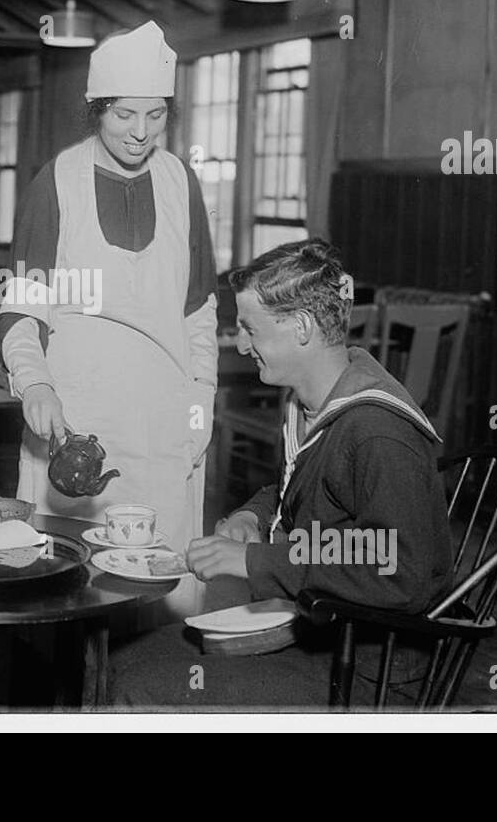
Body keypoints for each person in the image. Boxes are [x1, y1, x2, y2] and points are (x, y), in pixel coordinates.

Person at [109, 239, 453, 708]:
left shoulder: (377, 433)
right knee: (125, 658)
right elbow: (299, 490)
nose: (242, 344)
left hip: (367, 666)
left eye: (250, 328)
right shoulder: (311, 402)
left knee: (139, 686)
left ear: (303, 327)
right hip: (316, 627)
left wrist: (252, 562)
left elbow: (401, 570)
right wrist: (253, 516)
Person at [0, 21, 219, 614]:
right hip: (75, 426)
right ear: (96, 109)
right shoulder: (58, 181)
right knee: (69, 595)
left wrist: (202, 410)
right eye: (124, 114)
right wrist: (35, 382)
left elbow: (200, 314)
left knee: (164, 597)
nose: (140, 132)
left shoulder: (180, 182)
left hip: (163, 424)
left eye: (155, 115)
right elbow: (23, 307)